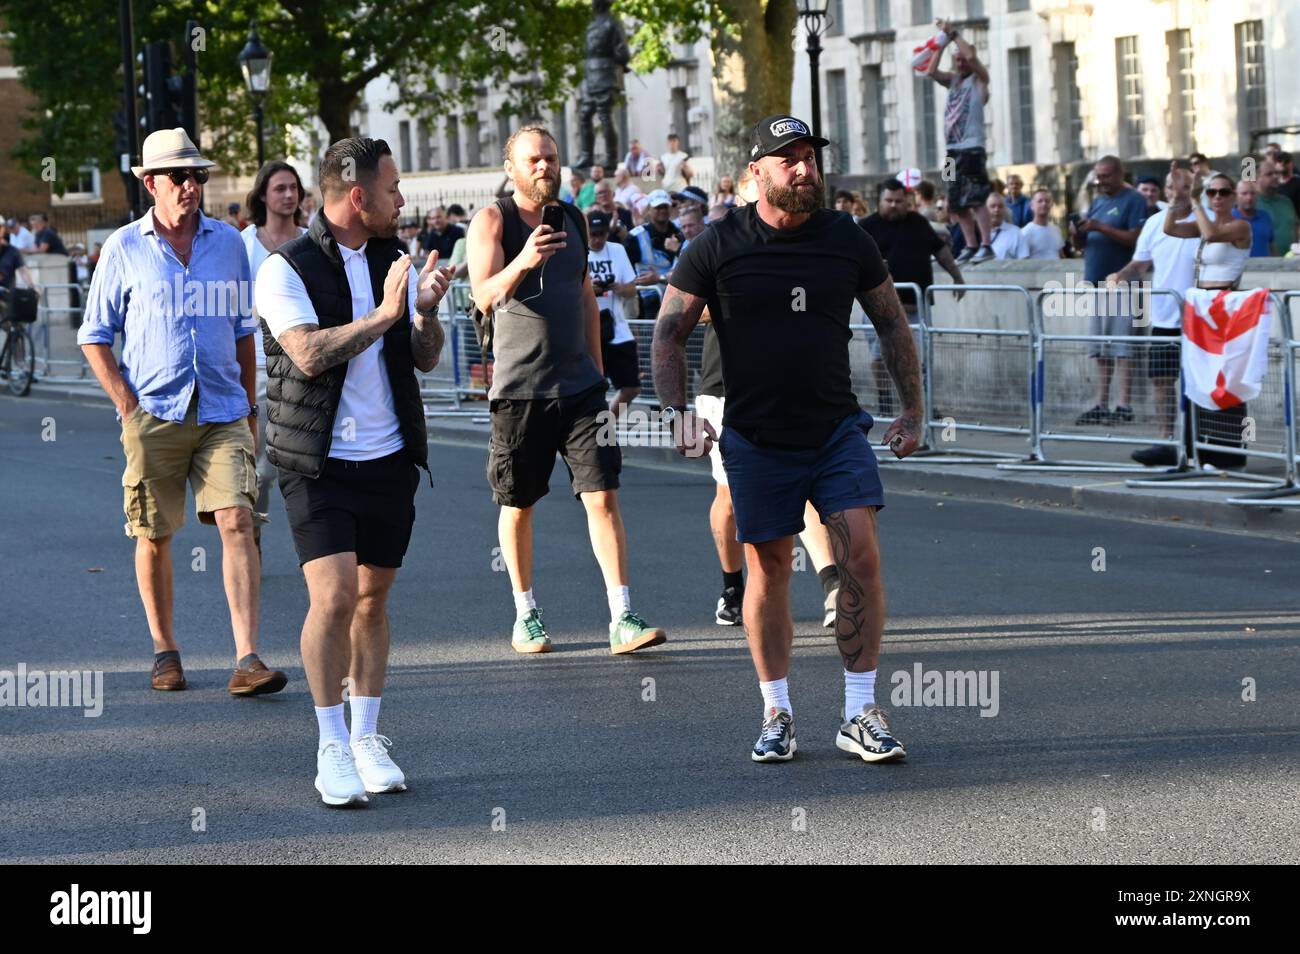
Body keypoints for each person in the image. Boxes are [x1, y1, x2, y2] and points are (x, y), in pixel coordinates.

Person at [654, 114, 922, 765]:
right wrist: (679, 412)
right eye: (788, 159)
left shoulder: (845, 237)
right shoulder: (718, 244)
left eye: (810, 156)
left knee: (859, 550)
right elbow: (668, 332)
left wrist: (913, 408)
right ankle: (777, 710)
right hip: (755, 438)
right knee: (770, 568)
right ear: (757, 173)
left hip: (835, 429)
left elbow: (891, 322)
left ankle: (860, 711)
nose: (804, 168)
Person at [256, 136, 454, 807]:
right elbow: (309, 354)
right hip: (317, 460)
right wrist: (382, 315)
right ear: (359, 196)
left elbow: (423, 358)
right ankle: (330, 745)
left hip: (390, 457)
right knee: (334, 596)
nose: (404, 200)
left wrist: (423, 314)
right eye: (395, 190)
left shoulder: (394, 259)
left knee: (373, 599)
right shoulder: (288, 267)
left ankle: (368, 737)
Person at [76, 127, 285, 697]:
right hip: (155, 412)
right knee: (153, 534)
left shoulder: (228, 244)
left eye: (198, 176)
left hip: (222, 410)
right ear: (150, 184)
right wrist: (125, 402)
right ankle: (165, 651)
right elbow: (94, 336)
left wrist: (248, 405)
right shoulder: (123, 248)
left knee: (238, 520)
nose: (191, 186)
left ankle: (247, 658)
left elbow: (245, 332)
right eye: (179, 177)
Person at [467, 124, 667, 656]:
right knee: (520, 503)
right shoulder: (493, 220)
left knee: (603, 496)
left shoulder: (573, 218)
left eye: (551, 158)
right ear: (511, 167)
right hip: (519, 390)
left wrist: (598, 373)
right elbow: (483, 294)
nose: (544, 167)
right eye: (533, 159)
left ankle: (622, 615)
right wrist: (526, 259)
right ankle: (525, 614)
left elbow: (584, 298)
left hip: (581, 388)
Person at [1163, 165, 1254, 469]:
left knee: (1225, 379)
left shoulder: (1239, 227)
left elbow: (1213, 234)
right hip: (1202, 306)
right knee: (1200, 378)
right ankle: (1198, 448)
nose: (1217, 197)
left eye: (1223, 192)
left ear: (1233, 197)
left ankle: (1228, 453)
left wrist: (1196, 198)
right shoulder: (1204, 223)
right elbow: (1171, 228)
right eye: (1211, 192)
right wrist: (1178, 196)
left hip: (1225, 305)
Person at [1108, 171, 1199, 467]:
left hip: (1199, 318)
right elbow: (1141, 262)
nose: (1176, 192)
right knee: (1162, 379)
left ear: (1192, 189)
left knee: (1196, 383)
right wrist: (1121, 275)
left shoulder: (1206, 218)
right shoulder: (1153, 223)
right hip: (1163, 315)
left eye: (1183, 187)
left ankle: (1198, 443)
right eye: (1171, 186)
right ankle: (1166, 439)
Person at [240, 160, 309, 556]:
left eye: (293, 188)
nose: (288, 195)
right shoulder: (244, 244)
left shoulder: (312, 240)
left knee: (305, 466)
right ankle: (252, 538)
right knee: (260, 471)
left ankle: (319, 552)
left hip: (304, 367)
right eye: (280, 188)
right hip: (259, 368)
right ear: (262, 195)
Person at [861, 178, 965, 414]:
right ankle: (885, 400)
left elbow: (940, 249)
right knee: (880, 356)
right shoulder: (867, 227)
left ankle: (923, 405)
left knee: (919, 360)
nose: (895, 205)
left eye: (899, 201)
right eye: (889, 201)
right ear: (879, 201)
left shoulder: (918, 222)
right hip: (879, 309)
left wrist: (957, 277)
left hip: (916, 307)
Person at [1070, 155, 1146, 426]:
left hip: (1123, 282)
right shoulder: (1098, 201)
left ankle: (1123, 403)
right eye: (1099, 176)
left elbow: (1136, 238)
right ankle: (1101, 402)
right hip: (1097, 281)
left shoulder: (1134, 199)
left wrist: (1100, 226)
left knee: (1123, 345)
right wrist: (1077, 233)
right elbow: (1083, 244)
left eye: (1106, 176)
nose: (1101, 182)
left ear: (1119, 173)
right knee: (1100, 346)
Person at [925, 18, 993, 264]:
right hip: (951, 152)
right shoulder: (953, 81)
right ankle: (971, 245)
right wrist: (942, 42)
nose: (961, 61)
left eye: (963, 59)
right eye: (958, 59)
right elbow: (931, 71)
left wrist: (953, 34)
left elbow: (973, 58)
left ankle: (986, 244)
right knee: (954, 201)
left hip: (971, 149)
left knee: (975, 197)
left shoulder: (979, 81)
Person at [585, 210, 641, 417]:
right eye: (593, 234)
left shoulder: (617, 250)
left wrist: (616, 286)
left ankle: (605, 426)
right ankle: (592, 436)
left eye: (601, 234)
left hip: (618, 330)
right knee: (591, 390)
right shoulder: (577, 252)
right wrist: (591, 290)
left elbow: (632, 290)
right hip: (588, 332)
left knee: (632, 388)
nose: (597, 239)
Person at [624, 189, 684, 320]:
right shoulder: (635, 236)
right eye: (658, 207)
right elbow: (626, 269)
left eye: (665, 206)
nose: (662, 210)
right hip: (647, 297)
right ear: (649, 209)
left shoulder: (680, 234)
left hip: (677, 296)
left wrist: (678, 249)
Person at [1257, 156, 1298, 254]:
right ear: (1257, 178)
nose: (1275, 176)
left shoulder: (1286, 202)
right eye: (1269, 174)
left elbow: (1296, 227)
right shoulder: (1251, 203)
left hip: (1292, 262)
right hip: (1262, 264)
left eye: (1276, 173)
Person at [1232, 178, 1274, 257]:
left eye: (1253, 193)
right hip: (1240, 268)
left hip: (1265, 267)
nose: (1249, 197)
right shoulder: (1229, 218)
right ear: (1235, 195)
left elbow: (1271, 245)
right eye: (1244, 193)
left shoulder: (1265, 216)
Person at [1019, 189, 1065, 259]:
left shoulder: (1056, 230)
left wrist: (1071, 270)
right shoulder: (1025, 233)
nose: (1044, 204)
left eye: (1047, 201)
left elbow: (1061, 257)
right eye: (1040, 201)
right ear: (1032, 206)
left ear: (1051, 205)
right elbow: (1022, 263)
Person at [985, 192, 1028, 260]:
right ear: (985, 210)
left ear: (1005, 209)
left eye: (1000, 206)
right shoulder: (976, 232)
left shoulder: (1015, 232)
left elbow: (1024, 261)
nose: (996, 210)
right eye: (992, 206)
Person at [0, 222, 39, 294]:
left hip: (7, 295)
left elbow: (23, 271)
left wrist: (32, 288)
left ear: (3, 230)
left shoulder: (12, 251)